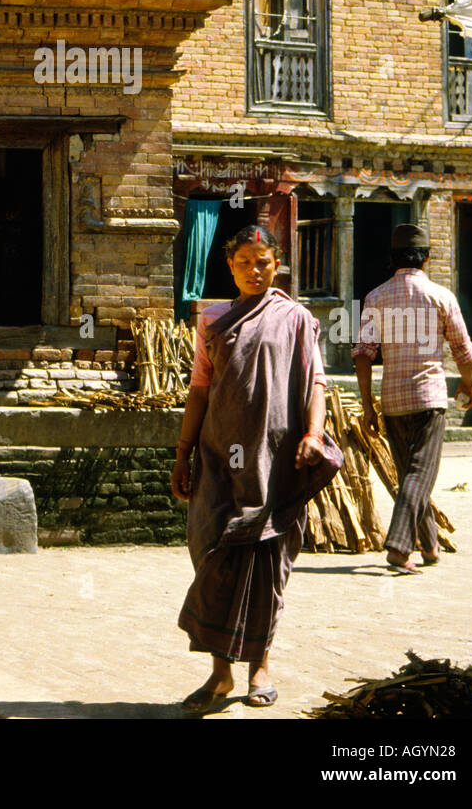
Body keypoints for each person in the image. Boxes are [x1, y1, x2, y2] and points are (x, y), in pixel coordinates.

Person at [172, 224, 342, 714]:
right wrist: (183, 454)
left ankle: (260, 668)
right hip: (217, 459)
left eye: (262, 261)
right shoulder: (213, 320)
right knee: (211, 552)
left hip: (273, 462)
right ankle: (220, 674)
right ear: (230, 266)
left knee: (266, 564)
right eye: (244, 261)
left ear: (277, 263)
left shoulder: (295, 319)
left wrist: (313, 434)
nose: (253, 270)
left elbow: (315, 383)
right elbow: (200, 390)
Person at [353, 222, 472, 573]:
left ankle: (431, 546)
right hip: (429, 397)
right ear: (426, 259)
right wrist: (467, 385)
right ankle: (399, 546)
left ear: (393, 259)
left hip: (392, 401)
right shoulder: (441, 296)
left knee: (411, 474)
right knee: (420, 474)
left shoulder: (376, 296)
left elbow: (363, 354)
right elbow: (464, 351)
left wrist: (367, 405)